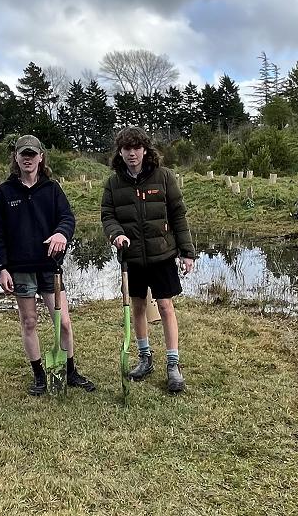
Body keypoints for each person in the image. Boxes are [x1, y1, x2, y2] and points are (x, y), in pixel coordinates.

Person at [0, 134, 96, 395]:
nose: (28, 158)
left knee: (64, 322)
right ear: (16, 157)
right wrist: (1, 267)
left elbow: (67, 218)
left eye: (32, 154)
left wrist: (61, 233)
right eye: (23, 154)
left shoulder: (52, 189)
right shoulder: (4, 193)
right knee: (29, 321)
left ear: (41, 157)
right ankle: (39, 374)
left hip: (51, 267)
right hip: (20, 269)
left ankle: (70, 371)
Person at [101, 126, 196, 394]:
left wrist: (187, 252)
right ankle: (145, 358)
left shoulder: (164, 177)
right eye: (127, 149)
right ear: (120, 152)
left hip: (162, 255)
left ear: (145, 150)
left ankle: (173, 364)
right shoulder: (113, 183)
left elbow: (178, 214)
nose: (132, 154)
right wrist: (116, 235)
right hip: (131, 257)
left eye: (137, 148)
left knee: (165, 306)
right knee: (138, 307)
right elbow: (108, 216)